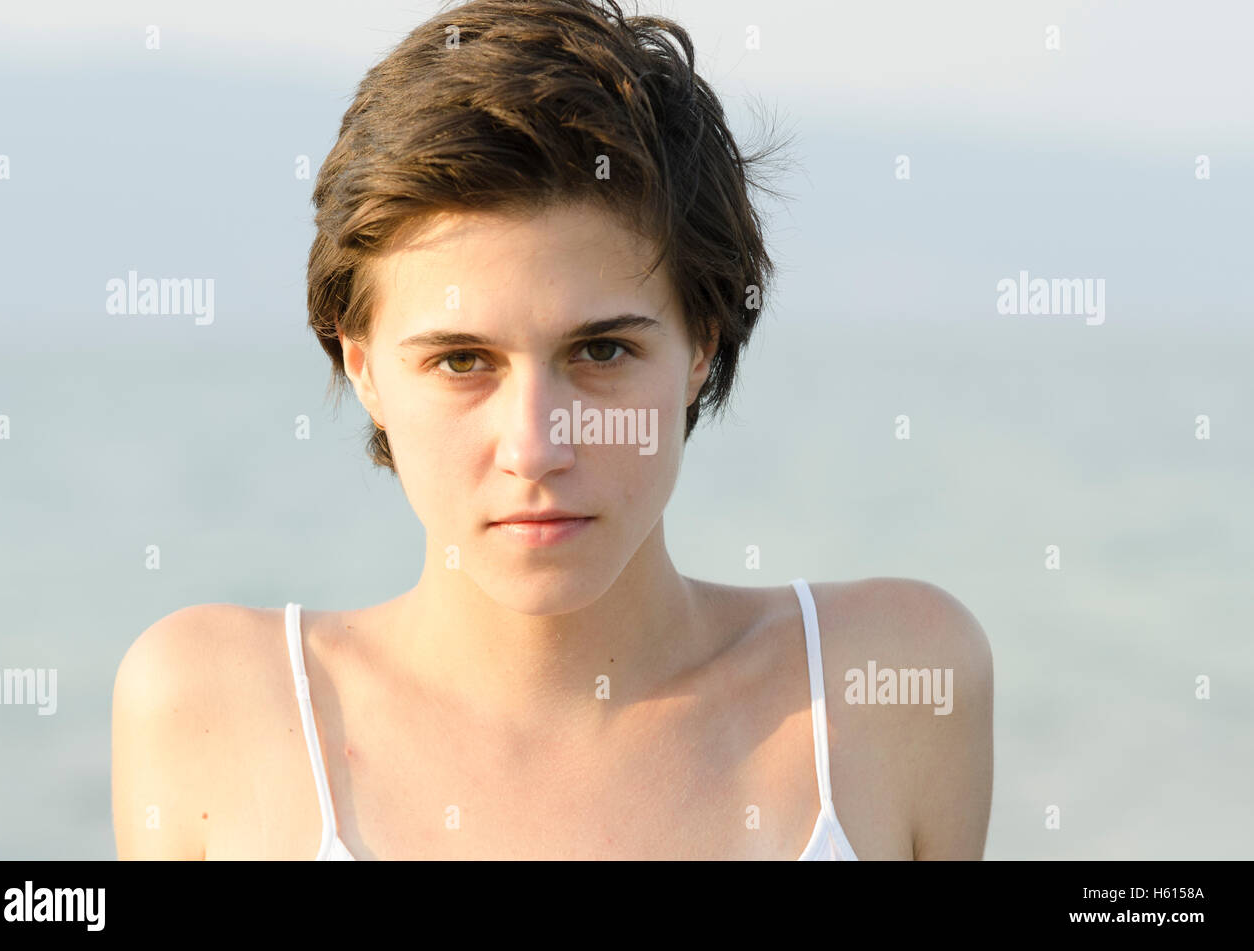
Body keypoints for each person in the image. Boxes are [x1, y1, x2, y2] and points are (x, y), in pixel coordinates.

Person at [112, 0, 992, 860]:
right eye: (462, 361)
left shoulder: (891, 685)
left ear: (701, 344)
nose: (536, 446)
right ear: (364, 366)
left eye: (601, 350)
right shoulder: (212, 707)